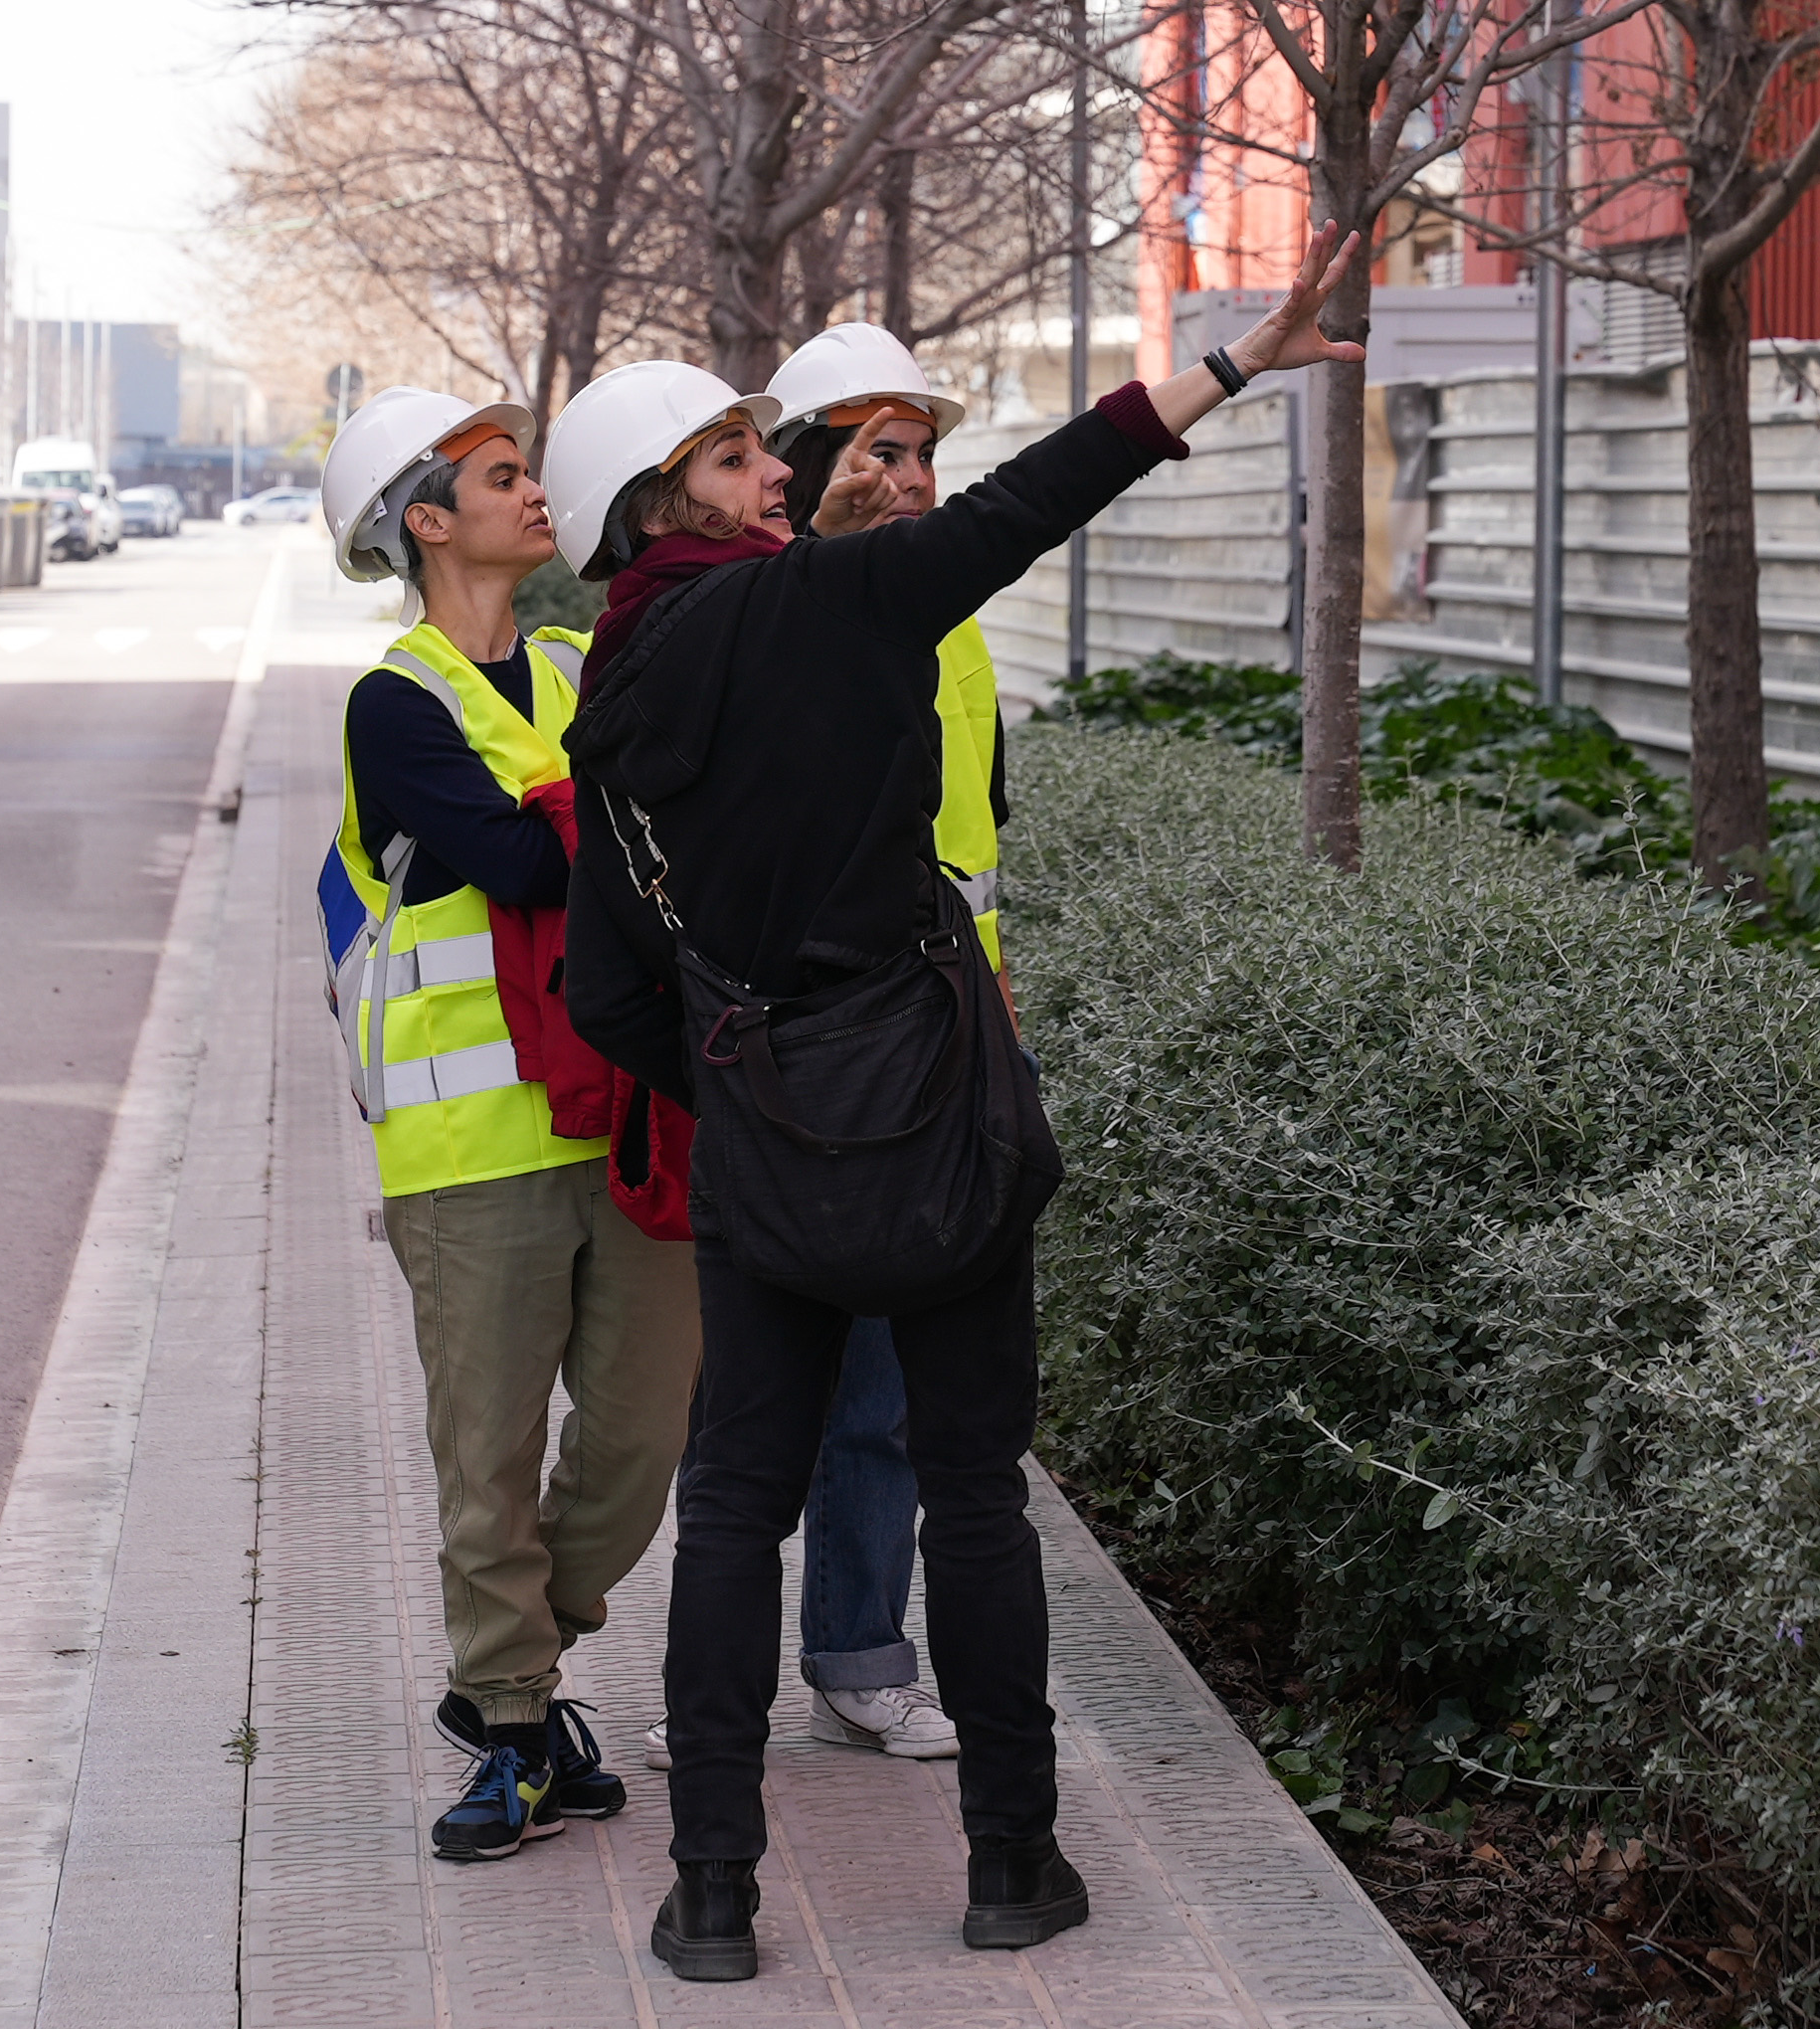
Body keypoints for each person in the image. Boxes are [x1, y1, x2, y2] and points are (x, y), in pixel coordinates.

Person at [550, 240, 1366, 1981]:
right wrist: (1225, 368)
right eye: (734, 458)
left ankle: (712, 1897)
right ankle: (1012, 1865)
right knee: (973, 1492)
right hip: (929, 1113)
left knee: (731, 1509)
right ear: (653, 506)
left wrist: (757, 1072)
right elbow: (1029, 504)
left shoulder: (608, 703)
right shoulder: (820, 605)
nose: (779, 470)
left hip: (763, 1141)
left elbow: (609, 991)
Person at [316, 387, 701, 1866]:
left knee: (644, 1433)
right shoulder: (392, 702)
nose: (536, 493)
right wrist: (620, 815)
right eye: (499, 476)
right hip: (472, 1148)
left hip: (627, 1119)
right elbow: (528, 864)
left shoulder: (574, 658)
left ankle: (514, 1683)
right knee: (485, 1459)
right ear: (430, 521)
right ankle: (519, 1722)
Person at [629, 326, 997, 1778]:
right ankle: (708, 1695)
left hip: (924, 1041)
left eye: (922, 454)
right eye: (878, 452)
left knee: (887, 1393)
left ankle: (859, 1656)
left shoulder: (939, 615)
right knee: (758, 1410)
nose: (908, 481)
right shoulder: (751, 621)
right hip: (782, 1055)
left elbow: (965, 847)